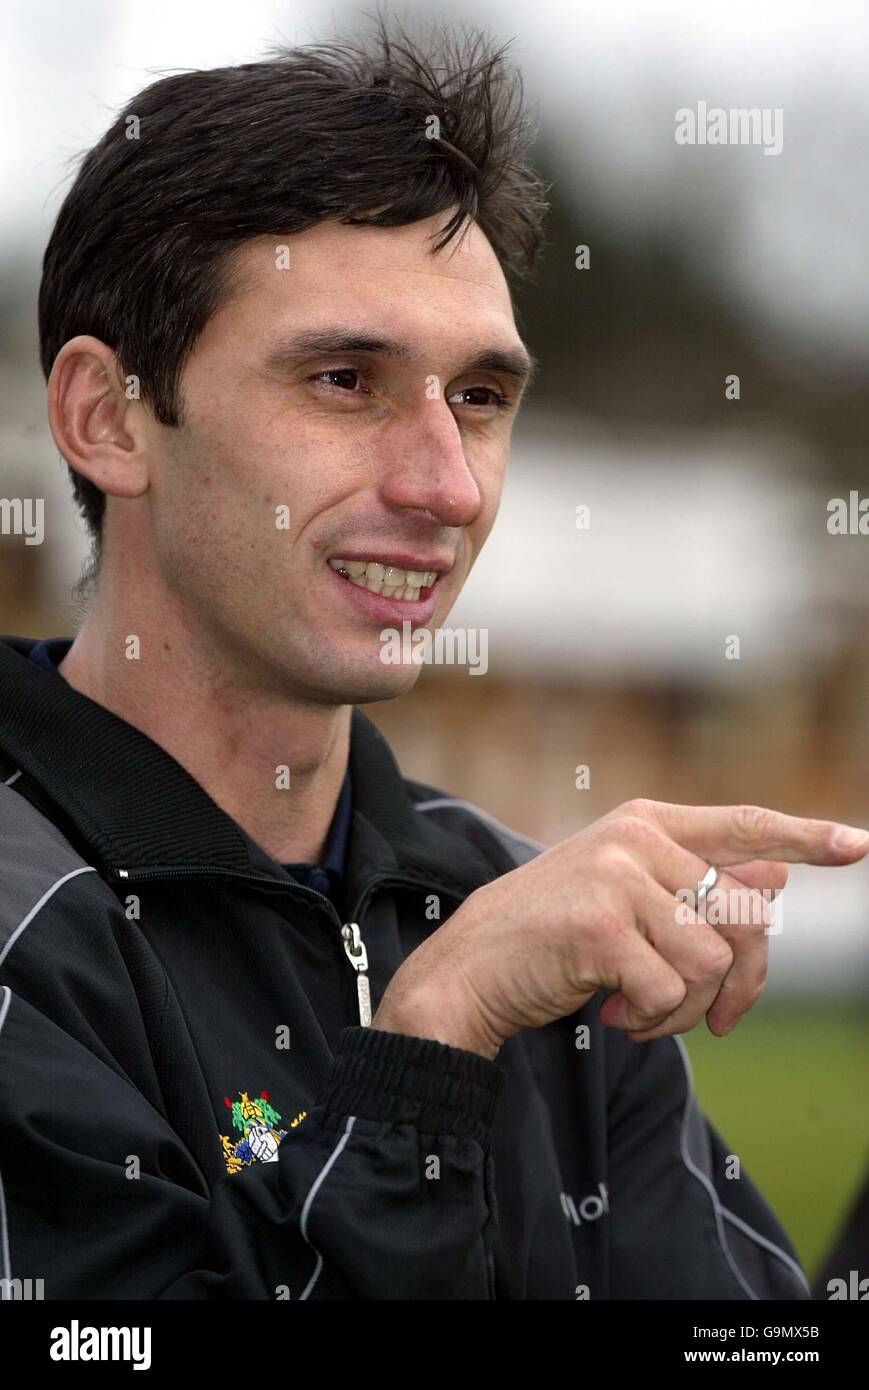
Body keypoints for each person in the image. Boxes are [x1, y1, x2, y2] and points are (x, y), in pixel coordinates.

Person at [1, 19, 866, 1301]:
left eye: (478, 397)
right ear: (105, 417)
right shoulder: (31, 940)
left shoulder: (530, 915)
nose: (447, 486)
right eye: (345, 380)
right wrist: (431, 1041)